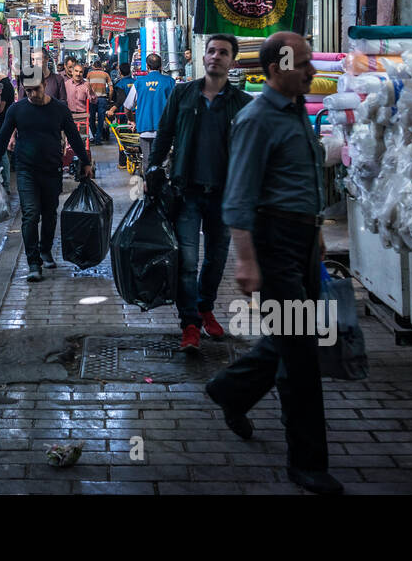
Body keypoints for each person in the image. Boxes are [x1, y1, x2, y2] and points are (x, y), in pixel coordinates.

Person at [205, 32, 340, 496]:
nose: (311, 71)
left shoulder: (296, 109)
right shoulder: (257, 119)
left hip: (301, 242)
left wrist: (317, 232)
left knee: (290, 338)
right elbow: (239, 196)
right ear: (278, 68)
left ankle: (231, 389)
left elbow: (302, 180)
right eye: (303, 64)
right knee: (301, 352)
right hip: (273, 245)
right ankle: (307, 463)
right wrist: (246, 261)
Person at [146, 34, 251, 351]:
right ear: (202, 57)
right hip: (187, 191)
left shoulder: (242, 103)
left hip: (225, 195)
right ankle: (189, 323)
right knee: (188, 261)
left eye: (223, 53)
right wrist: (152, 169)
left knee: (217, 259)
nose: (216, 56)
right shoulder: (182, 94)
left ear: (232, 61)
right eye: (211, 51)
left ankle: (206, 307)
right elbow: (164, 135)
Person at [0, 73, 93, 282]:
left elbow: (73, 134)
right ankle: (33, 263)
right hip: (26, 170)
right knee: (30, 214)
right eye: (28, 91)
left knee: (50, 213)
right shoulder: (17, 109)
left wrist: (86, 161)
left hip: (52, 169)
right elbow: (1, 138)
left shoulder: (59, 108)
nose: (33, 94)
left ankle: (45, 250)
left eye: (36, 89)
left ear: (45, 84)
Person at [124, 53, 175, 151]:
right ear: (161, 66)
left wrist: (132, 120)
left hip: (144, 128)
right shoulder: (170, 82)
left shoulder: (139, 82)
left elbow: (127, 107)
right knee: (163, 163)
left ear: (147, 66)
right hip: (164, 129)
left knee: (147, 162)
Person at [85, 60, 111, 144]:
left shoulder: (89, 74)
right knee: (101, 119)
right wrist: (109, 99)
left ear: (93, 67)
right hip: (102, 99)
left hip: (92, 99)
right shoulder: (105, 74)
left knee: (91, 118)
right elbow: (111, 89)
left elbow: (86, 87)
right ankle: (98, 139)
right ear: (101, 67)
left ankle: (93, 136)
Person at [62, 58, 91, 127]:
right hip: (69, 116)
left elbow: (93, 100)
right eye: (76, 71)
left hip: (83, 116)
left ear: (83, 73)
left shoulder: (86, 85)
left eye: (80, 72)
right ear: (72, 72)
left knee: (83, 137)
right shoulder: (66, 84)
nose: (78, 74)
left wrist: (91, 91)